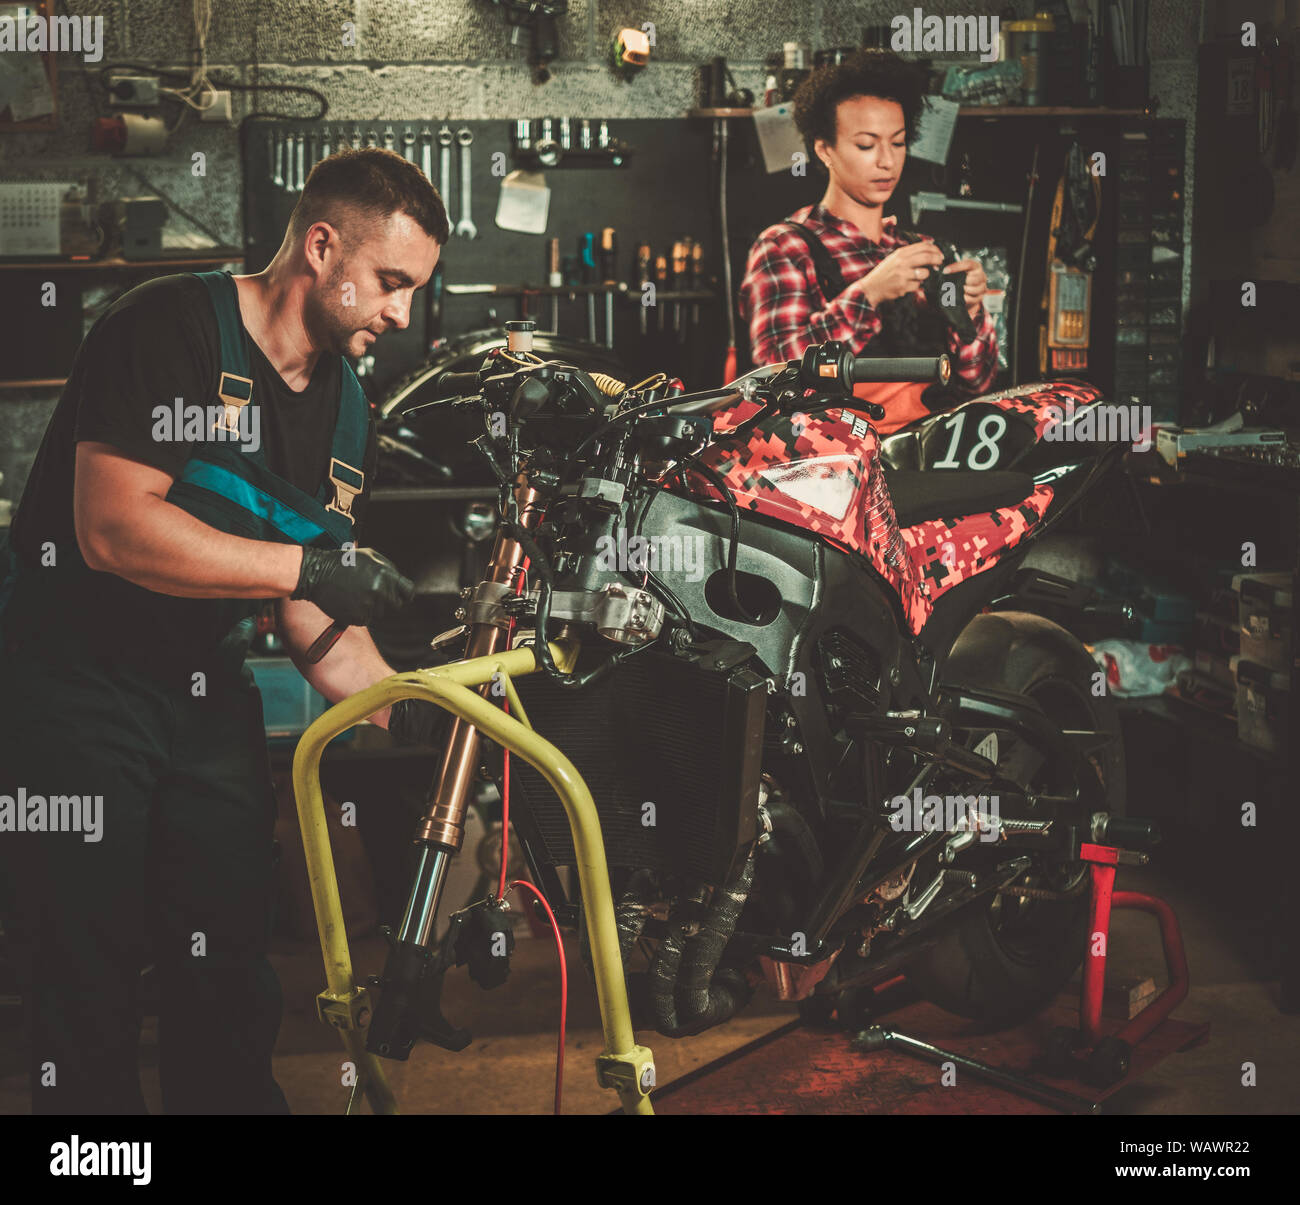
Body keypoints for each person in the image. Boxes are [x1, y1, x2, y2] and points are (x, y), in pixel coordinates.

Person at [0, 147, 450, 1114]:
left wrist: (414, 715)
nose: (401, 314)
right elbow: (113, 528)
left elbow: (312, 621)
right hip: (72, 681)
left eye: (413, 291)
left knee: (226, 949)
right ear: (322, 248)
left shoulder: (345, 412)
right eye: (390, 283)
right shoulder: (169, 323)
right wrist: (309, 564)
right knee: (88, 956)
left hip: (199, 690)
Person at [740, 50, 999, 434]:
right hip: (839, 464)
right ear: (824, 148)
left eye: (897, 143)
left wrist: (967, 312)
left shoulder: (923, 249)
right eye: (866, 145)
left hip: (932, 457)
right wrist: (870, 293)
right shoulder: (784, 247)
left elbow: (978, 384)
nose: (887, 161)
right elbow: (774, 375)